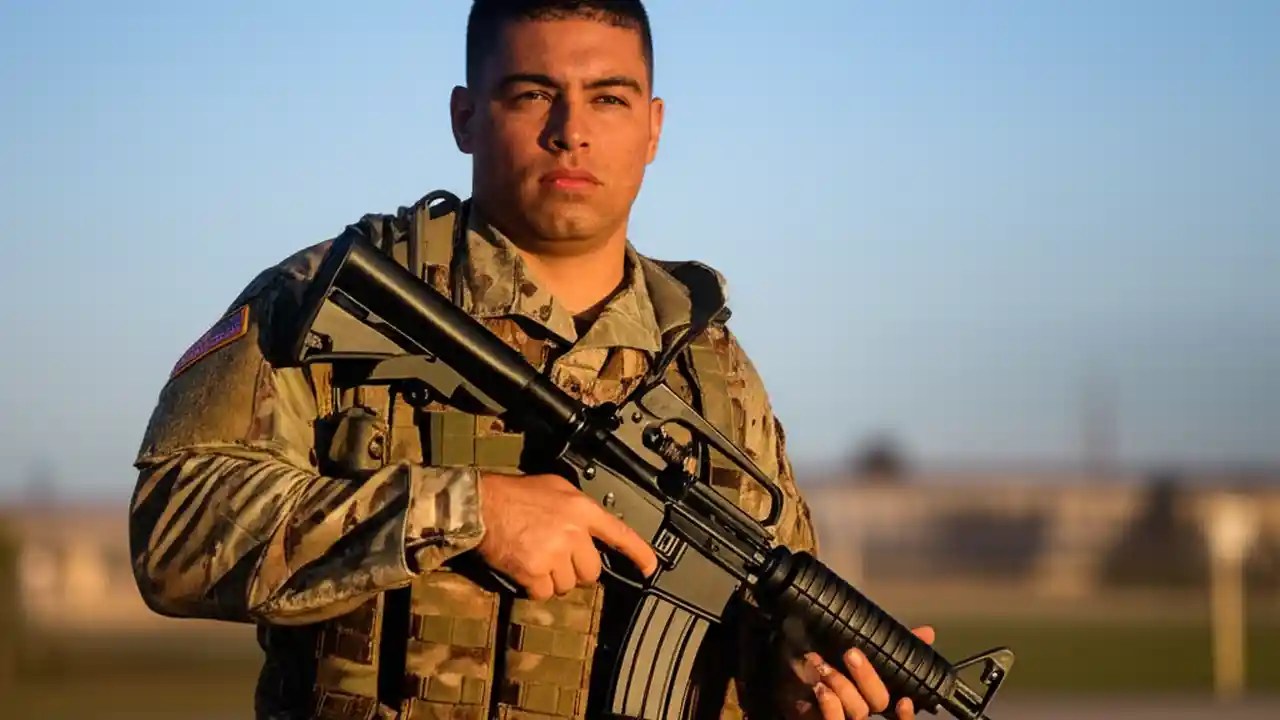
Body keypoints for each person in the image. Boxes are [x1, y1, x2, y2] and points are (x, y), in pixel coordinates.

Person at [128, 2, 933, 718]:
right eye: (532, 93)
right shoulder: (333, 297)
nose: (570, 130)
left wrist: (799, 694)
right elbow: (172, 534)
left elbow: (760, 634)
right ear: (466, 117)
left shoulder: (712, 372)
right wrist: (464, 510)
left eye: (608, 98)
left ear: (653, 127)